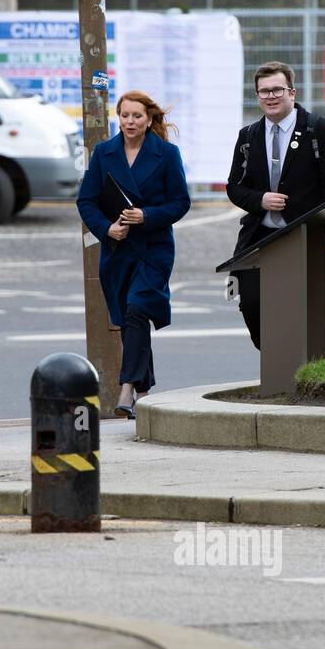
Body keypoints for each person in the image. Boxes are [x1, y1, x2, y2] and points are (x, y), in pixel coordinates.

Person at [76, 91, 191, 418]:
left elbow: (181, 202)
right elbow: (86, 201)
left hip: (153, 250)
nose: (129, 122)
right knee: (130, 319)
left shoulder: (166, 154)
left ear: (149, 119)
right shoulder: (104, 153)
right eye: (124, 115)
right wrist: (106, 229)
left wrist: (147, 215)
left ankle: (126, 386)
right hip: (118, 250)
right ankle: (144, 391)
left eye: (136, 116)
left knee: (138, 309)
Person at [225, 61, 325, 349]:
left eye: (277, 89)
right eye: (263, 91)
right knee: (251, 302)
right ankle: (275, 356)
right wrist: (260, 200)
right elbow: (234, 186)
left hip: (306, 235)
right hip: (261, 238)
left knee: (306, 309)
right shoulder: (248, 136)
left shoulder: (322, 130)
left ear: (292, 92)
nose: (270, 96)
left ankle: (297, 367)